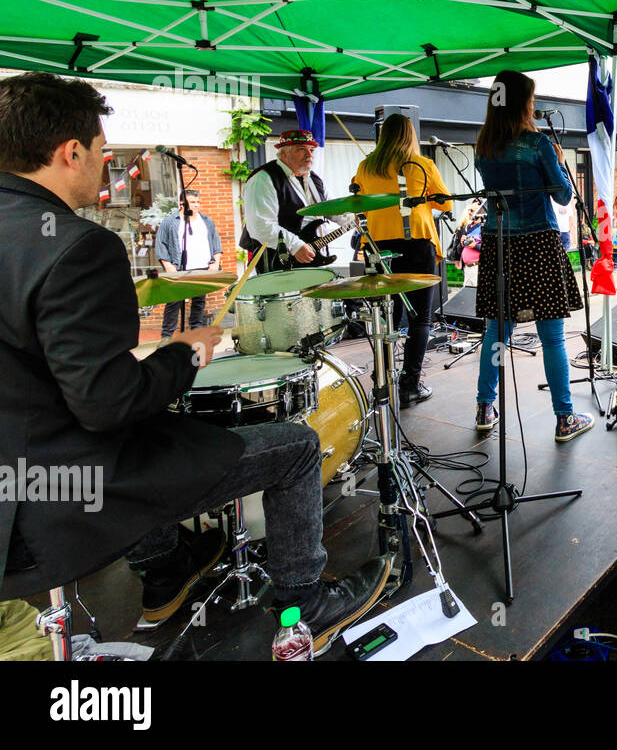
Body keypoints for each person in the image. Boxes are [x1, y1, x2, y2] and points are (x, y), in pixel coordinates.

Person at [0, 71, 386, 653]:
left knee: (175, 428)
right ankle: (302, 602)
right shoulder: (78, 246)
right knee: (295, 448)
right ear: (69, 152)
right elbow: (108, 405)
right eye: (103, 150)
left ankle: (168, 567)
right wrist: (184, 354)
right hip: (66, 496)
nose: (106, 163)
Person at [472, 71, 595, 441]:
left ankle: (484, 407)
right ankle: (564, 418)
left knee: (496, 333)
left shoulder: (483, 145)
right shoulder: (537, 143)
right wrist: (557, 159)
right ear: (523, 102)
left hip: (499, 243)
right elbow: (561, 197)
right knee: (553, 337)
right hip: (538, 243)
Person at [351, 113, 453, 408]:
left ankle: (381, 382)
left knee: (387, 317)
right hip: (417, 244)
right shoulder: (422, 165)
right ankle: (410, 386)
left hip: (380, 247)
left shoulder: (365, 166)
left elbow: (358, 203)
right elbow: (445, 203)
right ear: (410, 135)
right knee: (420, 317)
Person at [240, 128, 351, 273]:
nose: (309, 155)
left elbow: (331, 208)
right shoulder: (263, 178)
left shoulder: (314, 180)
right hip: (275, 262)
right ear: (284, 153)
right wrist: (295, 245)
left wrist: (352, 219)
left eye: (311, 150)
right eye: (301, 149)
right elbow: (260, 226)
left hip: (312, 259)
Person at [155, 188, 223, 339]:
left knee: (199, 302)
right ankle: (167, 337)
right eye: (193, 202)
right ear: (181, 203)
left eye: (198, 202)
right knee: (174, 302)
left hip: (202, 267)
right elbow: (161, 244)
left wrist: (215, 262)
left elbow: (216, 242)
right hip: (179, 268)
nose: (197, 205)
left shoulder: (206, 221)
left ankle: (196, 333)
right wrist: (168, 266)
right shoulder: (170, 222)